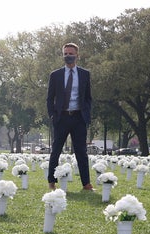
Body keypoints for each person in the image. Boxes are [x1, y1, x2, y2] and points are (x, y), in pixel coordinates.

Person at [46, 42, 93, 191]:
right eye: (65, 54)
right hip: (61, 117)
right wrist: (53, 115)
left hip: (79, 117)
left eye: (71, 53)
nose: (68, 56)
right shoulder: (55, 75)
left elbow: (88, 97)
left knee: (81, 152)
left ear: (77, 55)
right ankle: (51, 182)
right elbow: (49, 98)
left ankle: (86, 184)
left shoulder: (85, 74)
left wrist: (86, 113)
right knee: (56, 150)